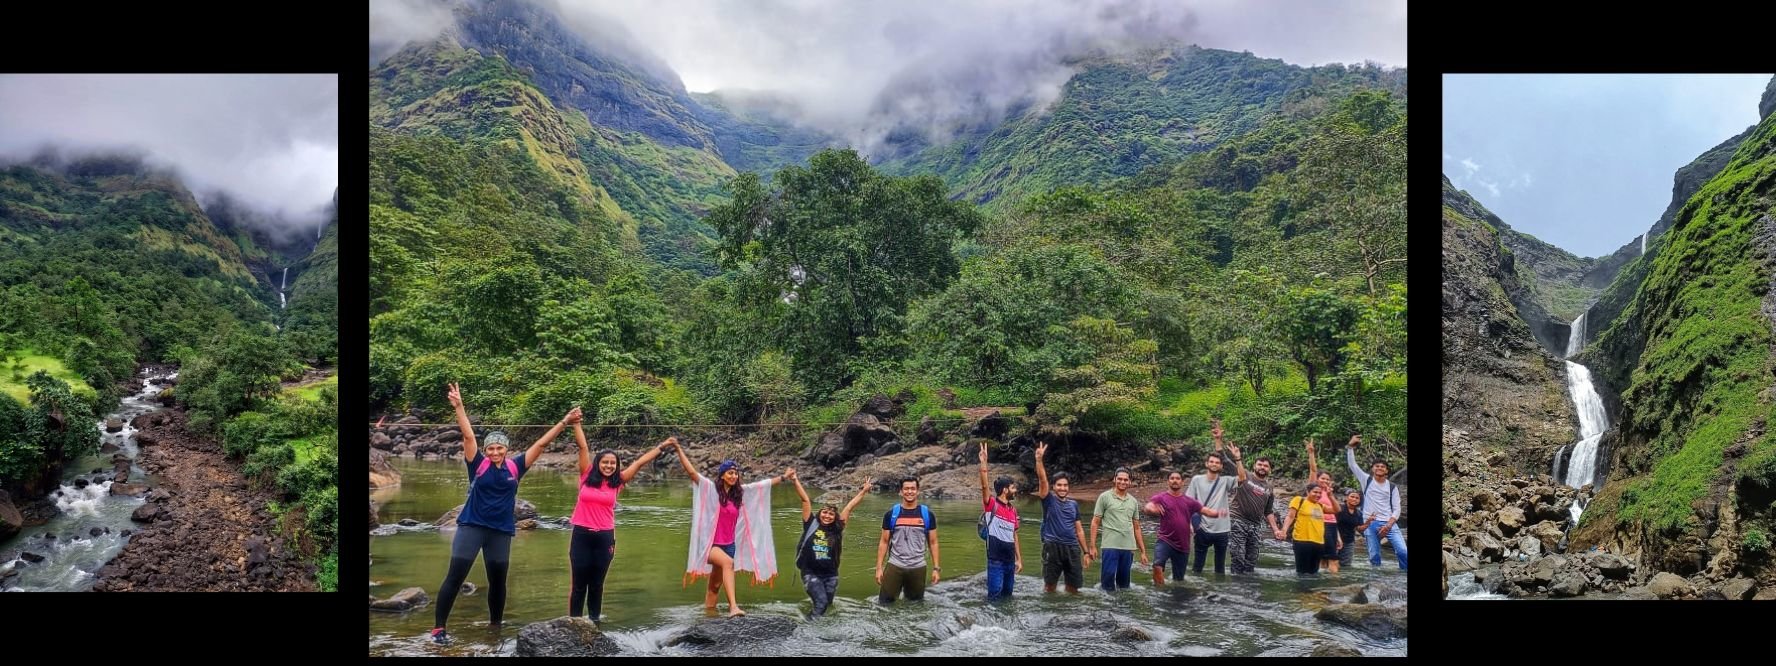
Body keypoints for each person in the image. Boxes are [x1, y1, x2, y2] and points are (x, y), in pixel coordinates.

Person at [430, 383, 567, 645]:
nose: (494, 452)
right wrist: (459, 406)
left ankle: (495, 626)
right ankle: (439, 629)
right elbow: (469, 437)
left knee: (498, 582)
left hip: (501, 531)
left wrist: (564, 422)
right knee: (455, 576)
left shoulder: (516, 467)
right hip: (471, 526)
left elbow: (541, 443)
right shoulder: (478, 463)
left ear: (507, 449)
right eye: (490, 448)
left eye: (499, 448)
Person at [565, 417, 673, 625]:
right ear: (598, 463)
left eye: (612, 463)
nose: (609, 466)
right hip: (581, 535)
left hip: (605, 538)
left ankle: (595, 624)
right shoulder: (586, 475)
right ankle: (574, 625)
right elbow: (583, 446)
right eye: (605, 462)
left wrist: (662, 446)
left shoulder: (618, 482)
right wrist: (576, 423)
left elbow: (640, 462)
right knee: (579, 585)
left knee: (597, 585)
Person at [669, 440, 789, 617]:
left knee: (714, 587)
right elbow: (692, 473)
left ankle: (708, 616)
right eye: (730, 473)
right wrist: (678, 449)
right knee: (728, 563)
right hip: (711, 546)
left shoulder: (738, 494)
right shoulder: (712, 491)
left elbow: (761, 486)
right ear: (723, 475)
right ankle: (734, 607)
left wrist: (784, 477)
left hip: (728, 545)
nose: (734, 476)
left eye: (736, 474)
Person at [789, 472, 871, 617]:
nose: (827, 516)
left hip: (831, 575)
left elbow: (849, 507)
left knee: (828, 604)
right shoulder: (811, 524)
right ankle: (806, 633)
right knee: (821, 604)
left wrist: (863, 492)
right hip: (810, 573)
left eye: (831, 514)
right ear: (820, 513)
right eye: (825, 512)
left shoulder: (837, 529)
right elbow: (805, 500)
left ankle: (817, 622)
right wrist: (795, 480)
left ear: (835, 518)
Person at [1217, 420, 1284, 575]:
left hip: (1255, 526)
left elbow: (1268, 511)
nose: (1262, 467)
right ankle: (1236, 590)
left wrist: (1276, 529)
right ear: (1254, 466)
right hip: (1238, 521)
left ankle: (1248, 591)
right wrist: (1219, 440)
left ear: (1270, 470)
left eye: (1266, 466)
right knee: (1238, 557)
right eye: (1259, 464)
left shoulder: (1269, 488)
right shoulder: (1244, 475)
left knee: (1251, 561)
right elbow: (1223, 459)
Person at [1142, 470, 1221, 587]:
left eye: (1177, 478)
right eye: (1172, 478)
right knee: (1157, 565)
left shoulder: (1189, 502)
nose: (1175, 480)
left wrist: (1220, 513)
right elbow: (1148, 506)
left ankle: (1175, 597)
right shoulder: (1161, 498)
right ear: (1168, 481)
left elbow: (1206, 511)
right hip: (1165, 540)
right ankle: (1160, 592)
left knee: (1178, 580)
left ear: (1182, 482)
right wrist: (1152, 509)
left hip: (1183, 545)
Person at [1032, 441, 1091, 593]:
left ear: (1068, 487)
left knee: (1074, 588)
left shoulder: (1073, 505)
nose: (1062, 488)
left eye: (1065, 485)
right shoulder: (1048, 500)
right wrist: (1039, 460)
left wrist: (1086, 552)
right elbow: (1042, 480)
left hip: (1072, 548)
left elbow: (1079, 530)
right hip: (1052, 547)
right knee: (1050, 587)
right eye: (1059, 485)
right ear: (1054, 487)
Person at [876, 477, 941, 603]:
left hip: (918, 567)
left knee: (915, 606)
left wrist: (936, 568)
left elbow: (933, 543)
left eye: (912, 489)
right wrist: (879, 568)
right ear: (901, 491)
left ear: (917, 491)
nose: (909, 492)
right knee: (884, 604)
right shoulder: (891, 514)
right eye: (906, 489)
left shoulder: (927, 515)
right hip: (895, 565)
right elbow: (884, 542)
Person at [1346, 434, 1406, 570]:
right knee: (1374, 556)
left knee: (1403, 551)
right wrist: (1350, 447)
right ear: (1373, 469)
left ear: (1387, 471)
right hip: (1370, 523)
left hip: (1389, 523)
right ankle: (1376, 582)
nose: (1379, 467)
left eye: (1383, 466)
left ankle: (1404, 579)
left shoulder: (1392, 487)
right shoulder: (1366, 480)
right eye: (1377, 466)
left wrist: (1389, 525)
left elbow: (1397, 509)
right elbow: (1352, 465)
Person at [978, 442, 1023, 600]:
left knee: (1008, 596)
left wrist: (1019, 559)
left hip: (1010, 561)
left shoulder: (1012, 510)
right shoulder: (991, 505)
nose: (1015, 490)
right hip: (995, 561)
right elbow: (984, 487)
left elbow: (1014, 535)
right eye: (1013, 488)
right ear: (1005, 490)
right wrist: (984, 463)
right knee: (994, 597)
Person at [1090, 467, 1146, 590]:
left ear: (1130, 482)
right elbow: (1095, 522)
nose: (1122, 482)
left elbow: (1136, 527)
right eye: (1119, 479)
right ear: (1114, 479)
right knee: (1108, 578)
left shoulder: (1133, 501)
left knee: (1124, 584)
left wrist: (1142, 551)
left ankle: (1121, 607)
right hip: (1110, 545)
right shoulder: (1104, 497)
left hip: (1128, 547)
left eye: (1126, 480)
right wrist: (1092, 546)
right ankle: (1107, 606)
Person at [1186, 451, 1233, 575]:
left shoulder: (1226, 481)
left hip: (1222, 529)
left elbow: (1242, 477)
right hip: (1202, 528)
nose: (1214, 464)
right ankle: (1196, 591)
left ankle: (1218, 591)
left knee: (1220, 569)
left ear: (1221, 466)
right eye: (1211, 461)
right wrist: (1189, 523)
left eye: (1217, 463)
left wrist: (1237, 459)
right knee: (1197, 567)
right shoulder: (1196, 480)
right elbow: (1188, 503)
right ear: (1206, 463)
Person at [1304, 439, 1343, 573]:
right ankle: (1332, 586)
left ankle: (1327, 585)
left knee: (1327, 559)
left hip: (1331, 527)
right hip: (1319, 525)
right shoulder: (1314, 490)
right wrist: (1311, 453)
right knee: (1331, 559)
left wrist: (1337, 536)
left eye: (1328, 479)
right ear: (1317, 480)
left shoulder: (1329, 493)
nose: (1325, 481)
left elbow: (1334, 513)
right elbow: (1313, 470)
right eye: (1323, 478)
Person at [1281, 484, 1330, 576]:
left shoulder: (1320, 505)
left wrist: (1330, 496)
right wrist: (1284, 531)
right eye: (1315, 492)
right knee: (1302, 572)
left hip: (1318, 542)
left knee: (1314, 572)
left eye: (1320, 493)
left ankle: (1312, 590)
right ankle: (1301, 590)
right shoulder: (1299, 500)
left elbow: (1336, 510)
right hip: (1302, 541)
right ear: (1308, 492)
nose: (1318, 495)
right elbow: (1290, 516)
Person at [1335, 488, 1364, 570]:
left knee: (1346, 566)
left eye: (1357, 498)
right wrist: (1338, 538)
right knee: (1332, 562)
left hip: (1349, 541)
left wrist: (1368, 522)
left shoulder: (1358, 513)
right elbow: (1333, 524)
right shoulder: (1339, 508)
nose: (1354, 499)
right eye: (1352, 496)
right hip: (1335, 539)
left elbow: (1359, 529)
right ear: (1347, 498)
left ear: (1359, 501)